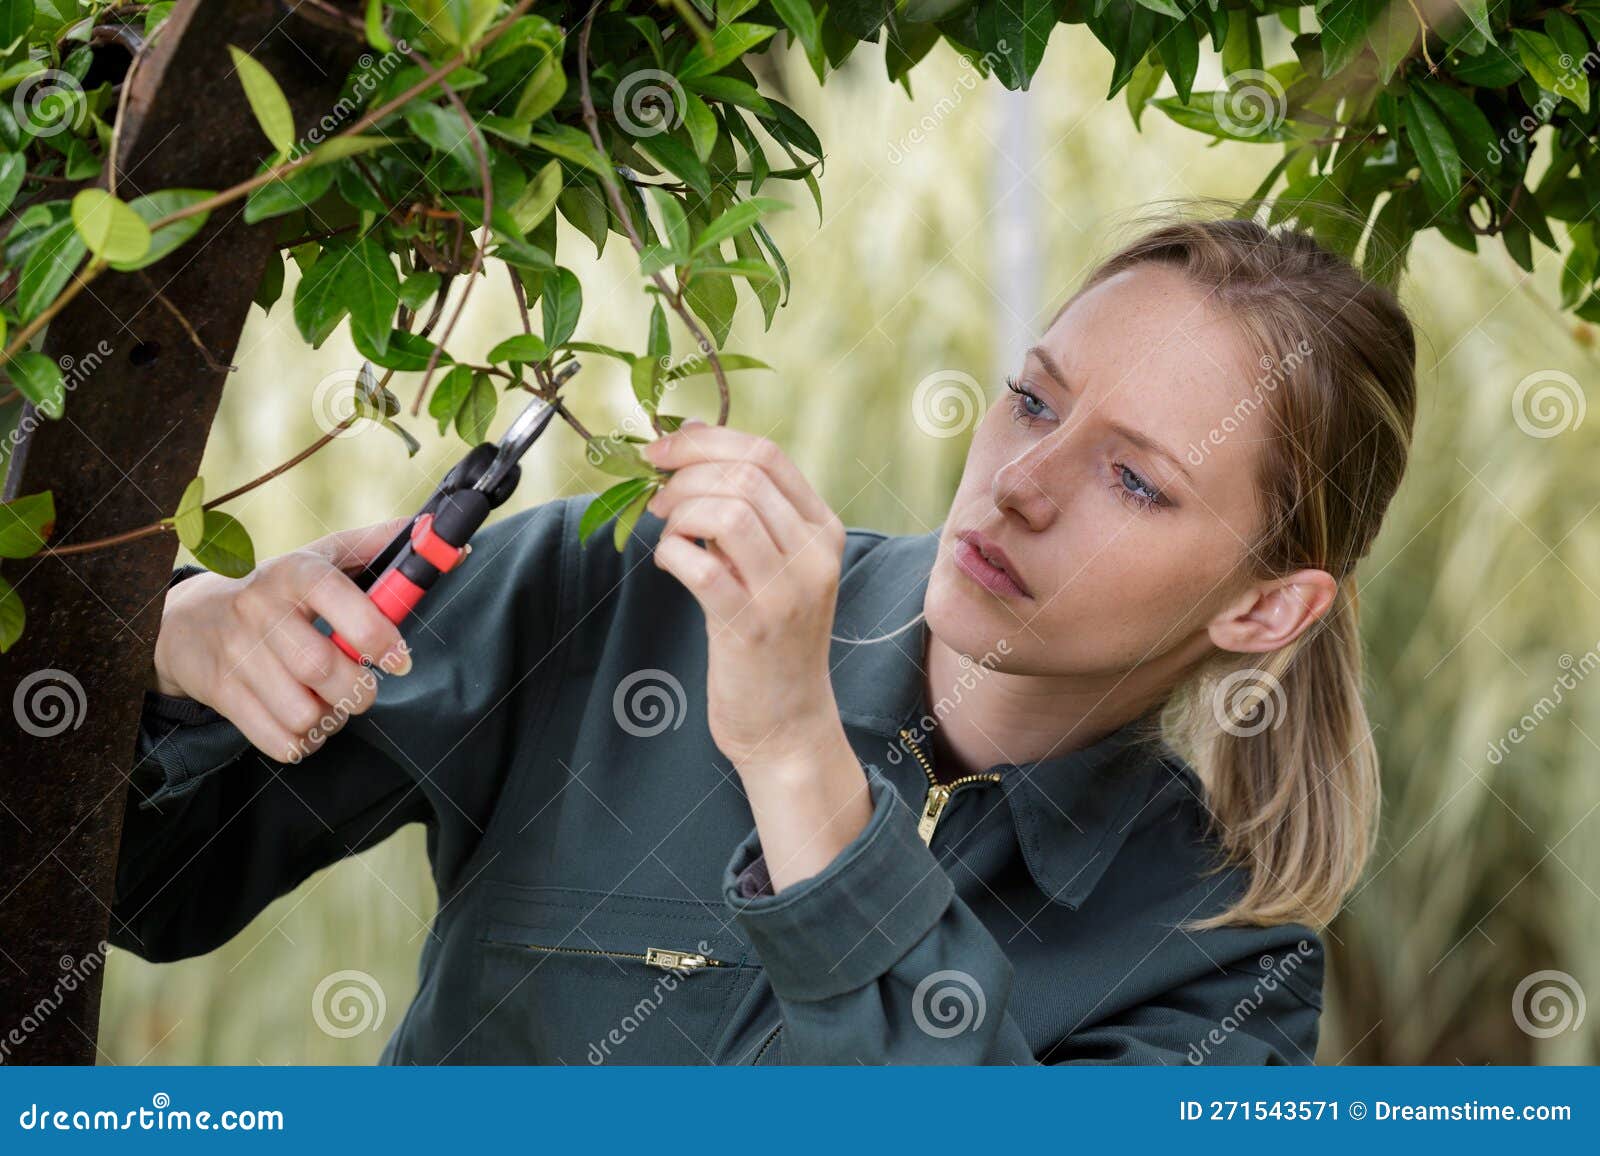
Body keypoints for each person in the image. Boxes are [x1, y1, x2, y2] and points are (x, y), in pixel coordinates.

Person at [117, 213, 1417, 1064]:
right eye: (1032, 400)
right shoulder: (627, 591)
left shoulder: (1218, 964)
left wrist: (798, 759)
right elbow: (140, 884)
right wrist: (175, 638)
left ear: (1264, 607)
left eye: (1136, 481)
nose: (1024, 484)